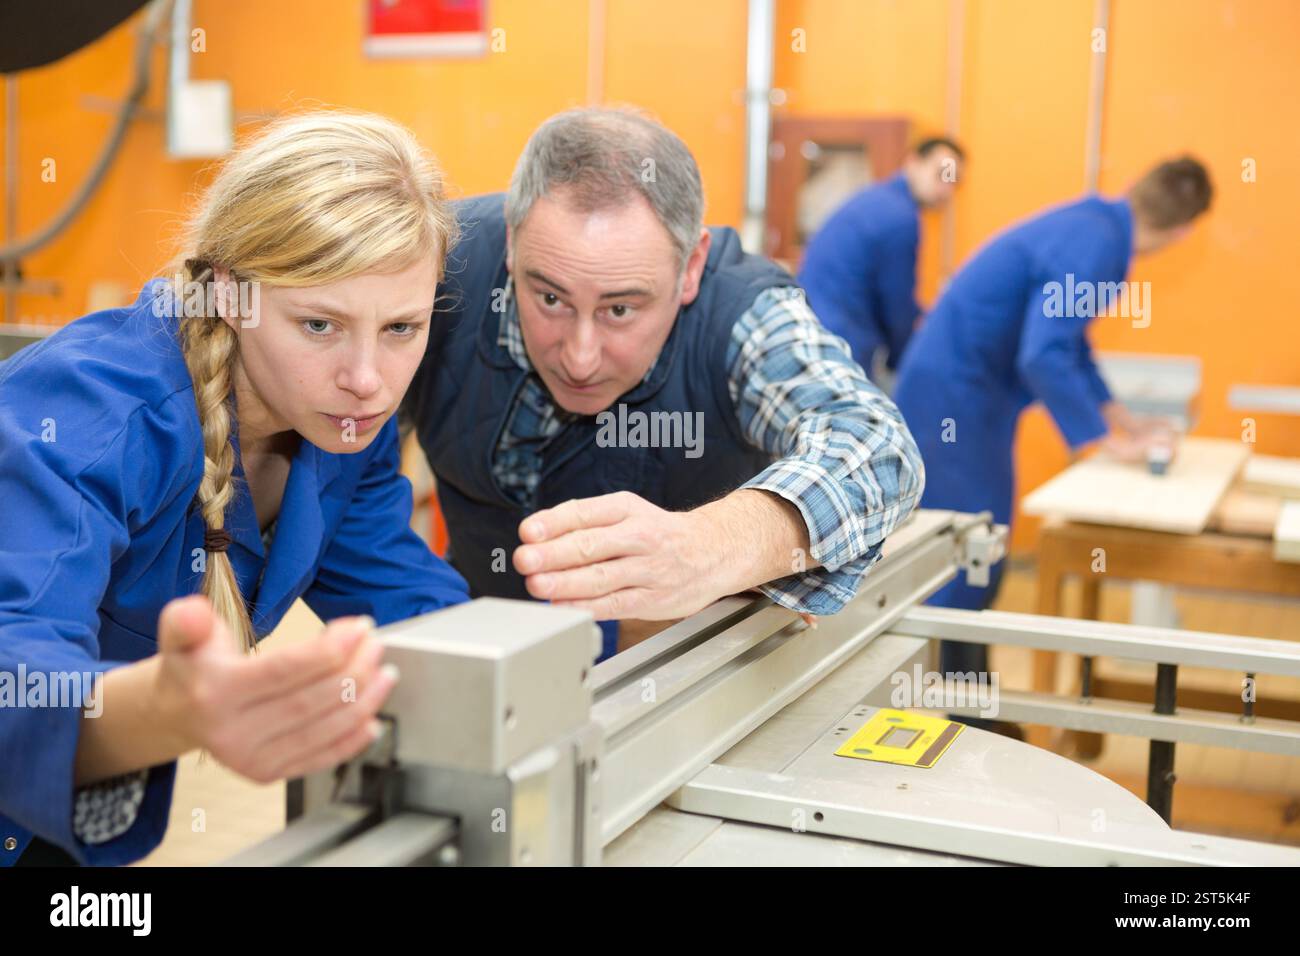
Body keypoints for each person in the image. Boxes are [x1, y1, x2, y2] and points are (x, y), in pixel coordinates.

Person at [0, 111, 469, 865]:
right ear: (228, 292)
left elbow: (409, 604)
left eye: (401, 329)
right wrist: (170, 710)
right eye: (319, 325)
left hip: (65, 823)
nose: (368, 380)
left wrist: (553, 665)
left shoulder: (341, 429)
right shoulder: (86, 415)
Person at [404, 108, 925, 660]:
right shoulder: (439, 264)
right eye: (550, 298)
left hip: (672, 669)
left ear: (691, 266)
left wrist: (717, 542)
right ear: (513, 242)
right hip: (482, 649)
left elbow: (879, 448)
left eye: (620, 309)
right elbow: (355, 477)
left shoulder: (740, 308)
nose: (580, 358)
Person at [893, 156, 1213, 678]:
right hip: (953, 398)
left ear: (1134, 185)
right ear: (1182, 231)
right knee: (969, 548)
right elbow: (1043, 355)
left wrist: (1122, 421)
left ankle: (962, 697)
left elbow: (1070, 344)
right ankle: (941, 699)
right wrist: (1103, 442)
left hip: (969, 393)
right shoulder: (1098, 245)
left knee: (981, 547)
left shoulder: (1096, 225)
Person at [797, 137, 964, 385]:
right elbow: (897, 307)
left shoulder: (876, 200)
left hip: (814, 334)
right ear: (913, 163)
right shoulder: (900, 218)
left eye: (954, 181)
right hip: (839, 344)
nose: (947, 190)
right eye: (942, 174)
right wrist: (904, 361)